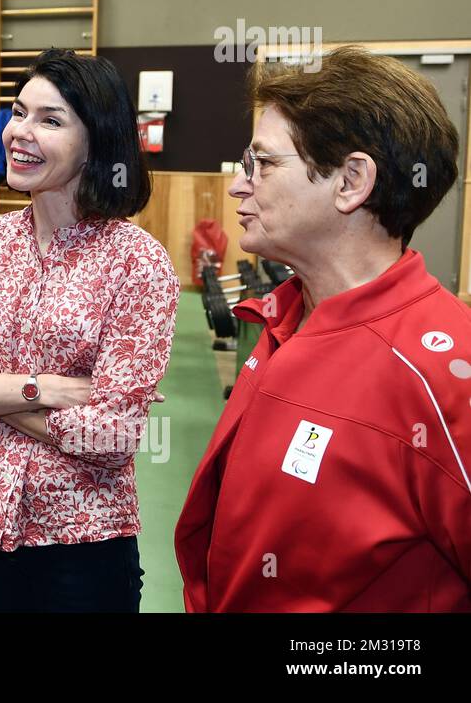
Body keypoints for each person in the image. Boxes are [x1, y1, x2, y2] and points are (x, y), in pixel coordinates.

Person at [176, 45, 471, 611]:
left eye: (263, 163)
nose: (240, 185)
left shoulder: (442, 375)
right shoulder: (285, 319)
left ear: (351, 181)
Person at [0, 48, 178, 612]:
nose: (19, 131)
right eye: (18, 111)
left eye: (49, 120)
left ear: (97, 142)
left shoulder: (138, 264)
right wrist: (46, 388)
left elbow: (113, 437)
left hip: (81, 537)